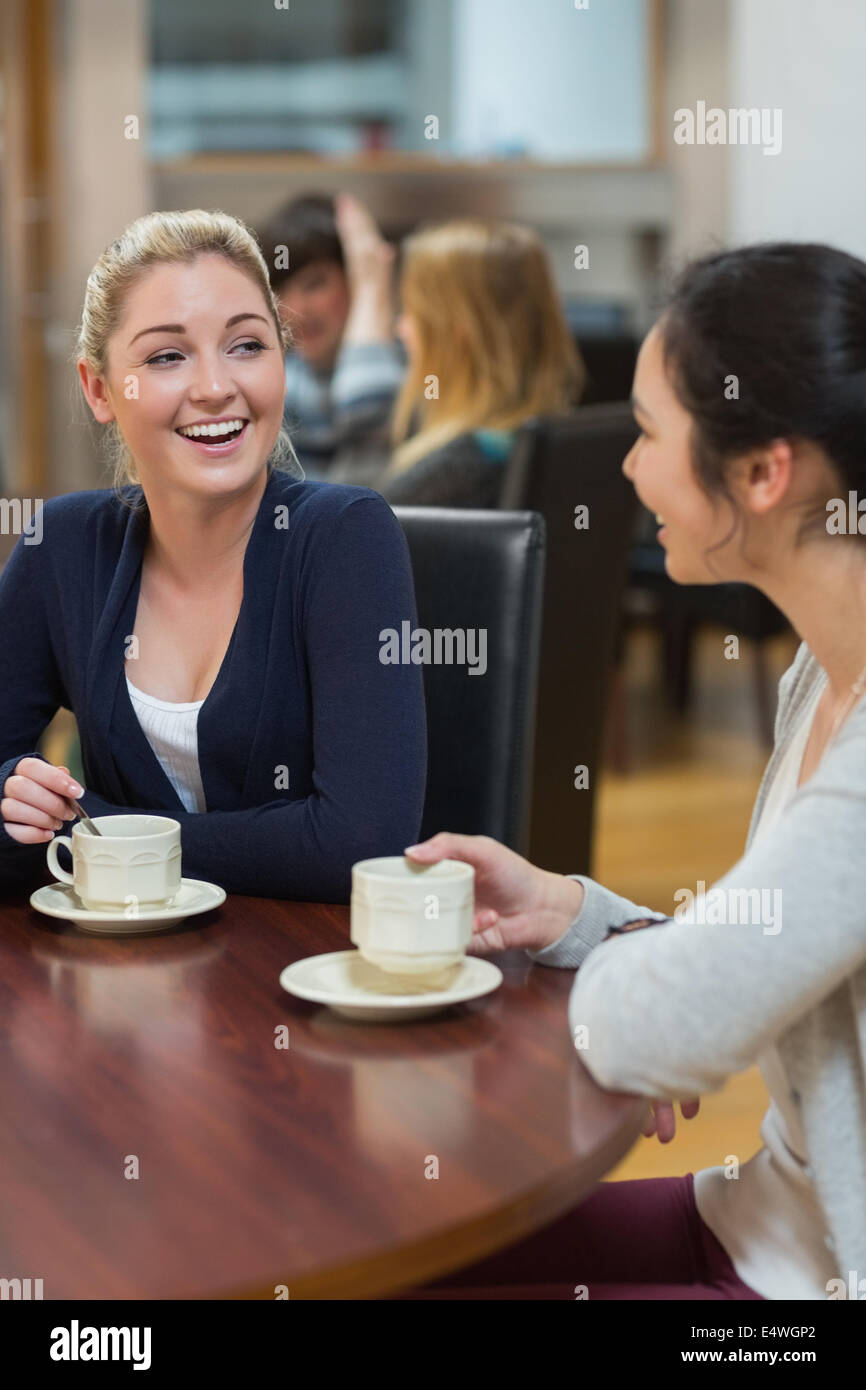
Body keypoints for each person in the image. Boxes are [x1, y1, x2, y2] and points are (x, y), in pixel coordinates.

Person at [390, 241, 866, 1299]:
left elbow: (671, 1027)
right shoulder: (815, 679)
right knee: (410, 1257)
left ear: (759, 470)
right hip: (756, 1225)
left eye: (649, 431)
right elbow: (769, 947)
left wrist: (645, 1015)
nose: (628, 464)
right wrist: (577, 914)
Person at [0, 209, 426, 902]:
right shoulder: (64, 545)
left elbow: (359, 845)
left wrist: (89, 833)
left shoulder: (346, 537)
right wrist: (18, 800)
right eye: (167, 356)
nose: (216, 387)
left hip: (301, 982)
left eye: (247, 345)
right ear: (100, 388)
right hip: (116, 978)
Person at [330, 220, 583, 506]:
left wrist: (370, 294)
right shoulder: (540, 440)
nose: (402, 329)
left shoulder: (460, 465)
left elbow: (343, 530)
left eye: (412, 312)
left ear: (457, 333)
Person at [256, 192, 404, 479]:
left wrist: (373, 293)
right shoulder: (283, 384)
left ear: (357, 279)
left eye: (315, 284)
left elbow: (367, 415)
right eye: (281, 290)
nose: (297, 309)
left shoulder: (410, 369)